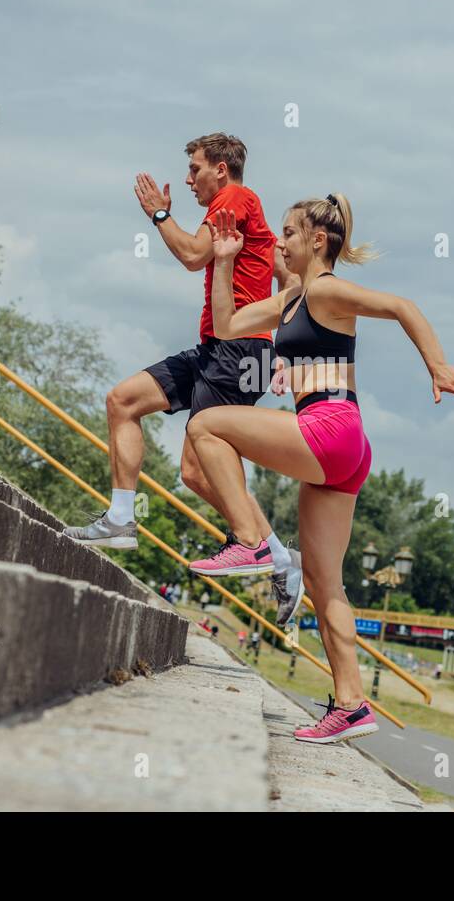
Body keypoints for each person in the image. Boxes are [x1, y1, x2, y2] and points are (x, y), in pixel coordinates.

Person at [184, 195, 454, 743]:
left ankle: (251, 539)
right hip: (344, 448)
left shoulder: (323, 291)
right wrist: (224, 259)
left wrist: (438, 366)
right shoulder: (293, 300)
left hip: (330, 427)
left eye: (288, 234)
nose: (279, 243)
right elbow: (227, 323)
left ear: (317, 242)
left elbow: (402, 306)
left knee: (206, 427)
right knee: (327, 585)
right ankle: (350, 705)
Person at [64, 133, 305, 619]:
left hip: (239, 354)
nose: (189, 179)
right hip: (218, 349)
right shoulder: (243, 210)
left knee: (197, 470)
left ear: (221, 168)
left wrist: (158, 215)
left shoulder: (234, 197)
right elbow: (287, 273)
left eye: (195, 168)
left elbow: (195, 255)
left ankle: (267, 551)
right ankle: (121, 518)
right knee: (123, 402)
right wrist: (283, 341)